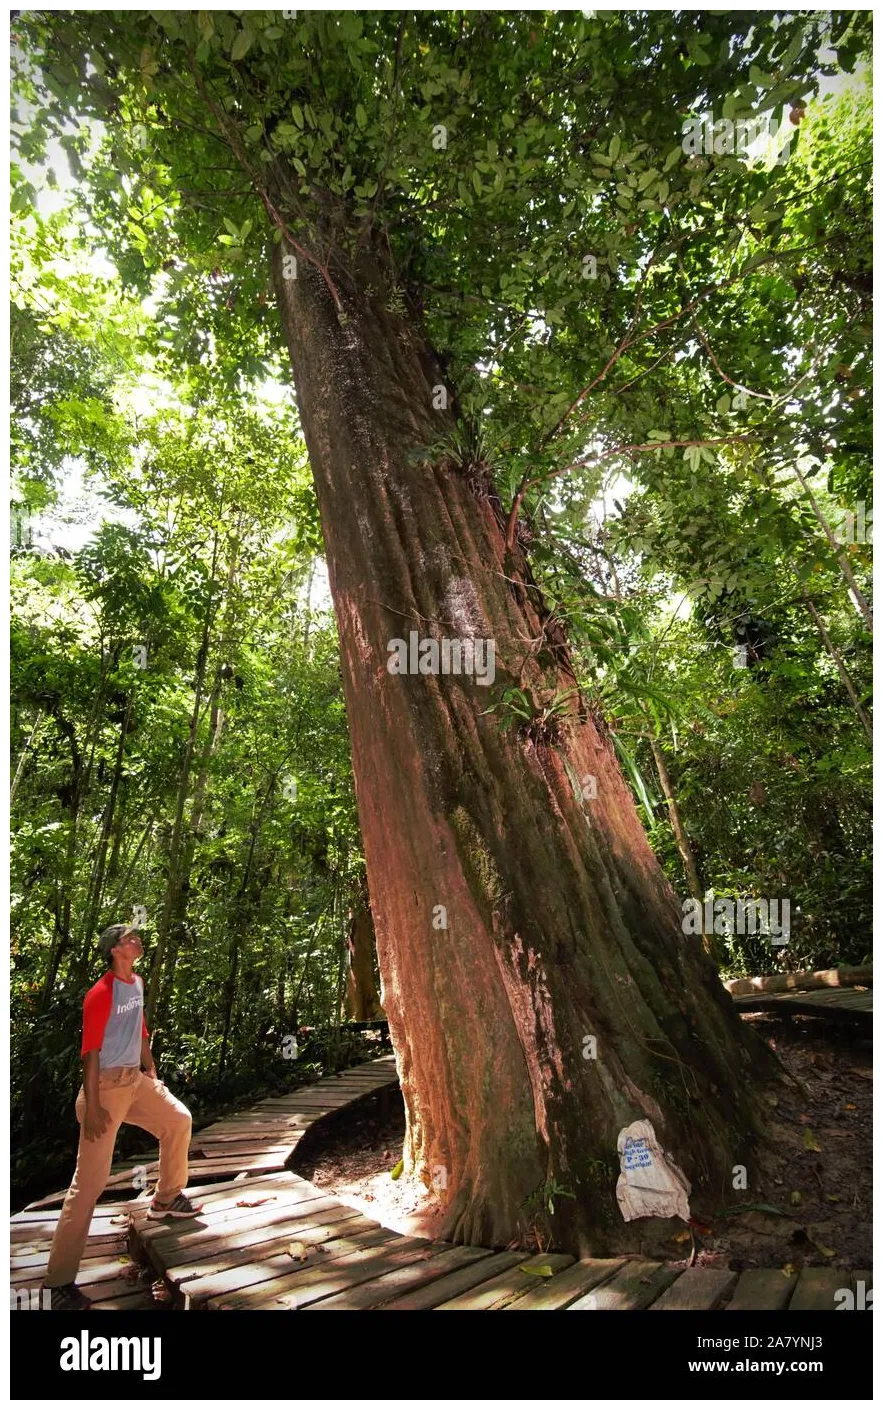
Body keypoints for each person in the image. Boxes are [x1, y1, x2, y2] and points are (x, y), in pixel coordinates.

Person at [41, 923, 203, 1310]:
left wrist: (153, 1072)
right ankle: (57, 1283)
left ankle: (166, 1198)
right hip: (106, 1089)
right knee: (89, 1184)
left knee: (178, 1120)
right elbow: (90, 1052)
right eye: (131, 938)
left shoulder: (137, 983)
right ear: (115, 949)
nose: (138, 941)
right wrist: (94, 1105)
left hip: (135, 1080)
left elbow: (141, 1030)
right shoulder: (100, 993)